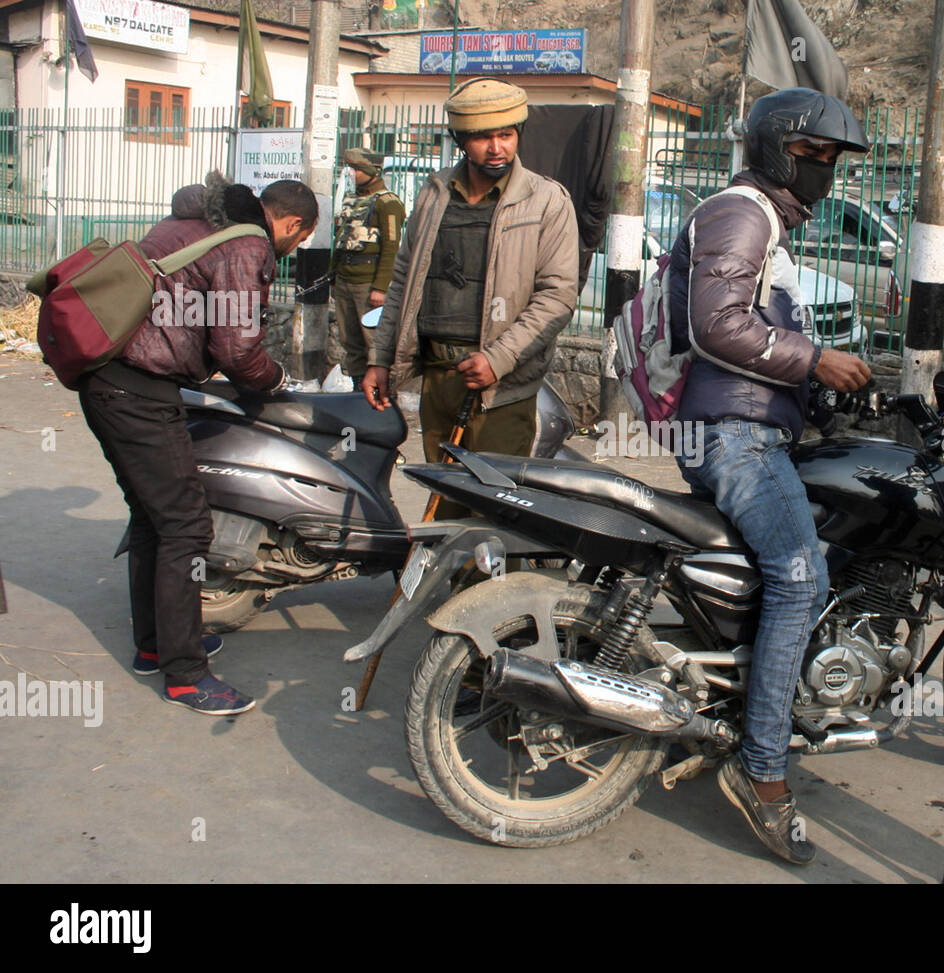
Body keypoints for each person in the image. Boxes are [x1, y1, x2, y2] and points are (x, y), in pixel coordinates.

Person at [668, 88, 873, 865]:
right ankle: (760, 771)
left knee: (766, 573)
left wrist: (822, 392)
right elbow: (717, 324)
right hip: (736, 435)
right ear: (776, 149)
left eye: (832, 159)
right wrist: (815, 360)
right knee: (800, 577)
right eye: (814, 154)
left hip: (749, 424)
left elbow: (760, 333)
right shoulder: (742, 209)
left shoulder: (769, 222)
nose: (825, 170)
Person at [79, 173, 317, 715]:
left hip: (108, 379)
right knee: (187, 525)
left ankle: (154, 645)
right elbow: (237, 349)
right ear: (292, 224)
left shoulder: (194, 220)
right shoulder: (247, 241)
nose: (291, 249)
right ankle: (186, 676)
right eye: (297, 241)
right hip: (140, 389)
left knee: (153, 517)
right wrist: (275, 379)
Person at [363, 77, 579, 502]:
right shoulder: (434, 194)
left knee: (491, 515)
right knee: (443, 506)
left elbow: (558, 296)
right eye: (483, 137)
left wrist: (497, 360)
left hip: (501, 388)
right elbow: (404, 284)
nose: (496, 147)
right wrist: (380, 360)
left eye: (506, 135)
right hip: (438, 380)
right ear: (461, 140)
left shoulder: (546, 201)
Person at [330, 147, 406, 392]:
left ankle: (382, 392)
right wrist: (334, 276)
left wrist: (381, 288)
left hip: (368, 285)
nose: (351, 173)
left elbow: (392, 247)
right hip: (345, 281)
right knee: (350, 340)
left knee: (374, 342)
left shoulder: (388, 203)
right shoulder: (350, 200)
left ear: (371, 171)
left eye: (356, 169)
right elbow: (340, 241)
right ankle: (356, 390)